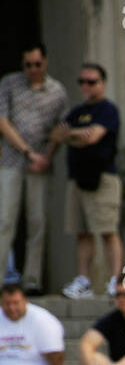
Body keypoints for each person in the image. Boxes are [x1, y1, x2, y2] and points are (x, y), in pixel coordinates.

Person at [0, 42, 69, 296]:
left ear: (46, 62)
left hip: (41, 165)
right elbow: (2, 121)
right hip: (10, 161)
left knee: (37, 222)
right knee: (5, 220)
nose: (32, 69)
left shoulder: (58, 92)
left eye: (37, 64)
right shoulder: (9, 83)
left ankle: (31, 280)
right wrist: (29, 152)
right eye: (28, 64)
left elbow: (60, 131)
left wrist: (46, 157)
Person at [51, 63, 123, 299]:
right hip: (77, 178)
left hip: (102, 177)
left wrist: (71, 135)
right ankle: (84, 281)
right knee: (81, 232)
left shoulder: (108, 110)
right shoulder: (76, 111)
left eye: (91, 82)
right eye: (82, 82)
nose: (86, 86)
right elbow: (55, 135)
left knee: (107, 230)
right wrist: (77, 135)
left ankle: (115, 281)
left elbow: (93, 137)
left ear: (102, 83)